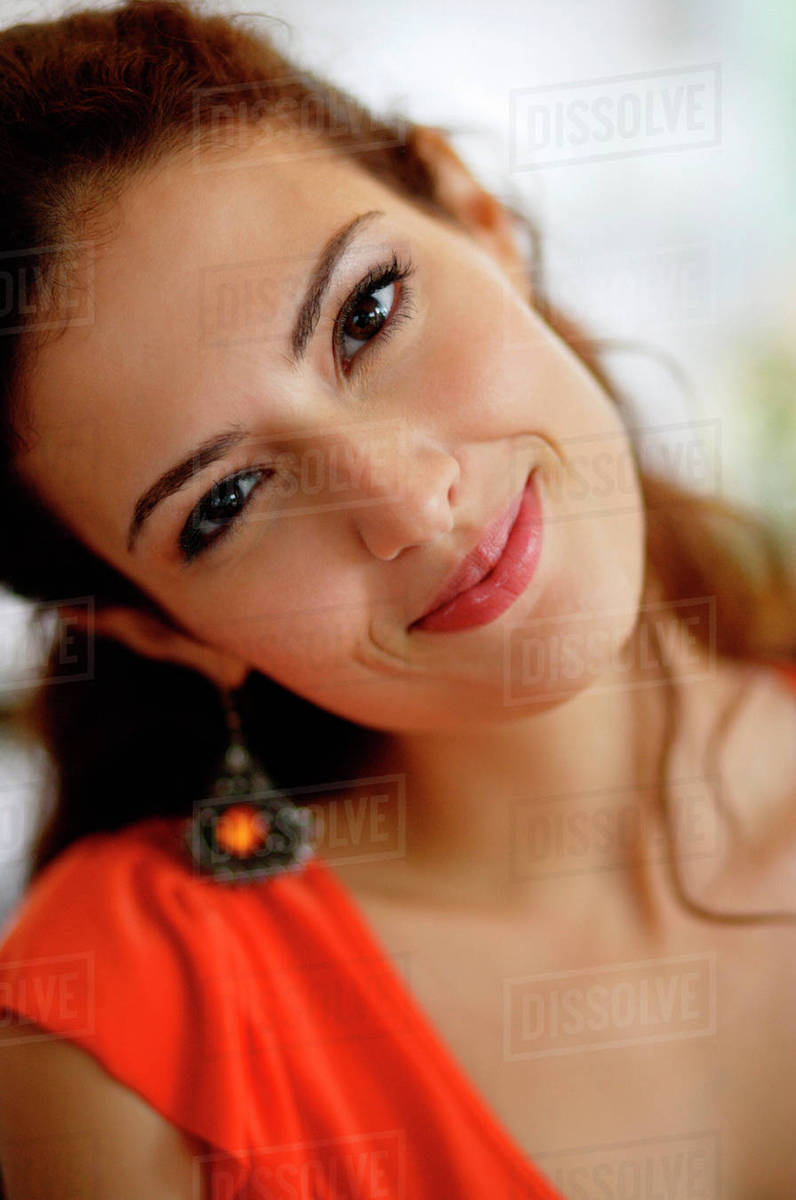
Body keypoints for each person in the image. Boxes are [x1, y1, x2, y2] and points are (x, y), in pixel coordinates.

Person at [0, 0, 794, 1195]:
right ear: (163, 629)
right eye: (224, 502)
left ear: (474, 214)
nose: (408, 503)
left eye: (367, 312)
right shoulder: (115, 1056)